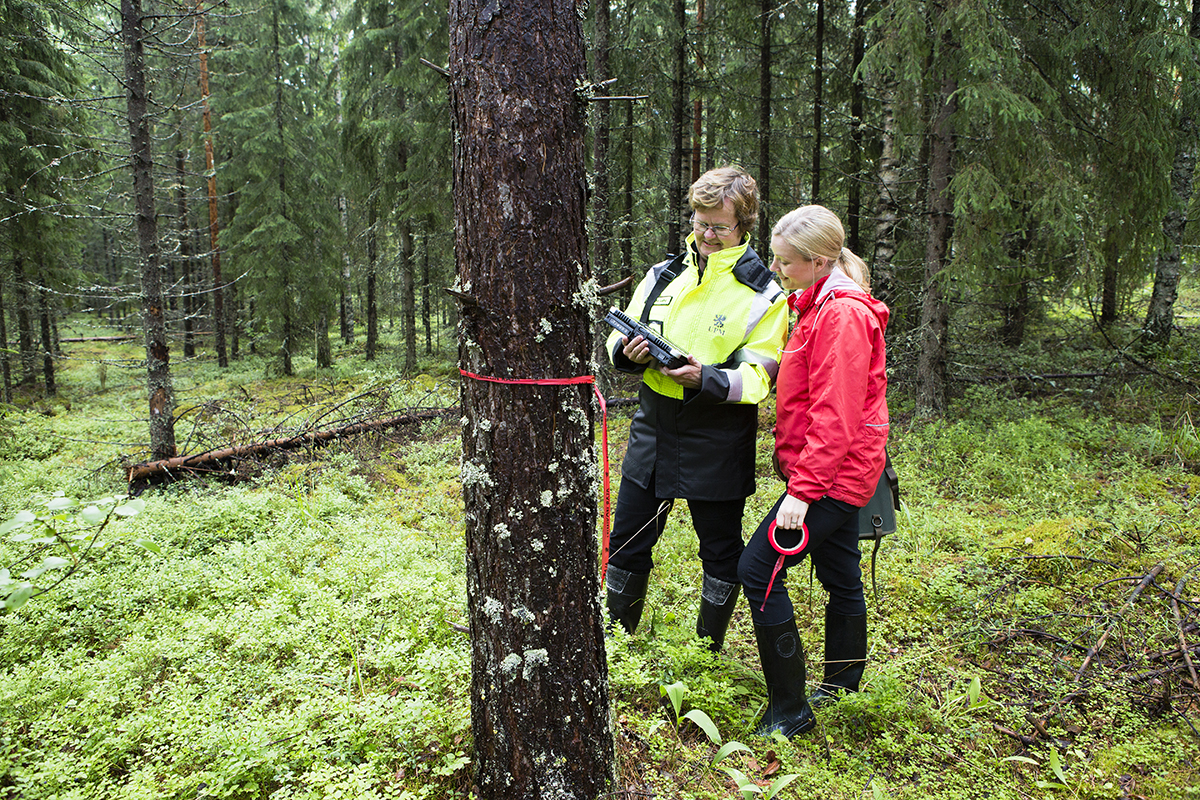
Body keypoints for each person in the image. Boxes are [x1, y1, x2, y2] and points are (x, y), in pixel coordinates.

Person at [604, 166, 789, 652]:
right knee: (627, 538)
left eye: (718, 226)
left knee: (720, 549)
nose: (706, 235)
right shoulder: (663, 273)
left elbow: (758, 378)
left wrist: (703, 377)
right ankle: (616, 646)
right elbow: (617, 339)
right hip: (654, 424)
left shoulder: (766, 294)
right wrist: (628, 352)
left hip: (719, 432)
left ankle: (708, 650)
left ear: (744, 225)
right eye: (700, 222)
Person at [738, 205, 889, 737]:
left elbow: (837, 411)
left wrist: (802, 491)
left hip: (832, 477)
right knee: (841, 572)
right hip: (828, 470)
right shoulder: (817, 303)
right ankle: (843, 684)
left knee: (758, 570)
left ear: (819, 260)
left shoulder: (842, 314)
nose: (776, 270)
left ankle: (790, 711)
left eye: (784, 262)